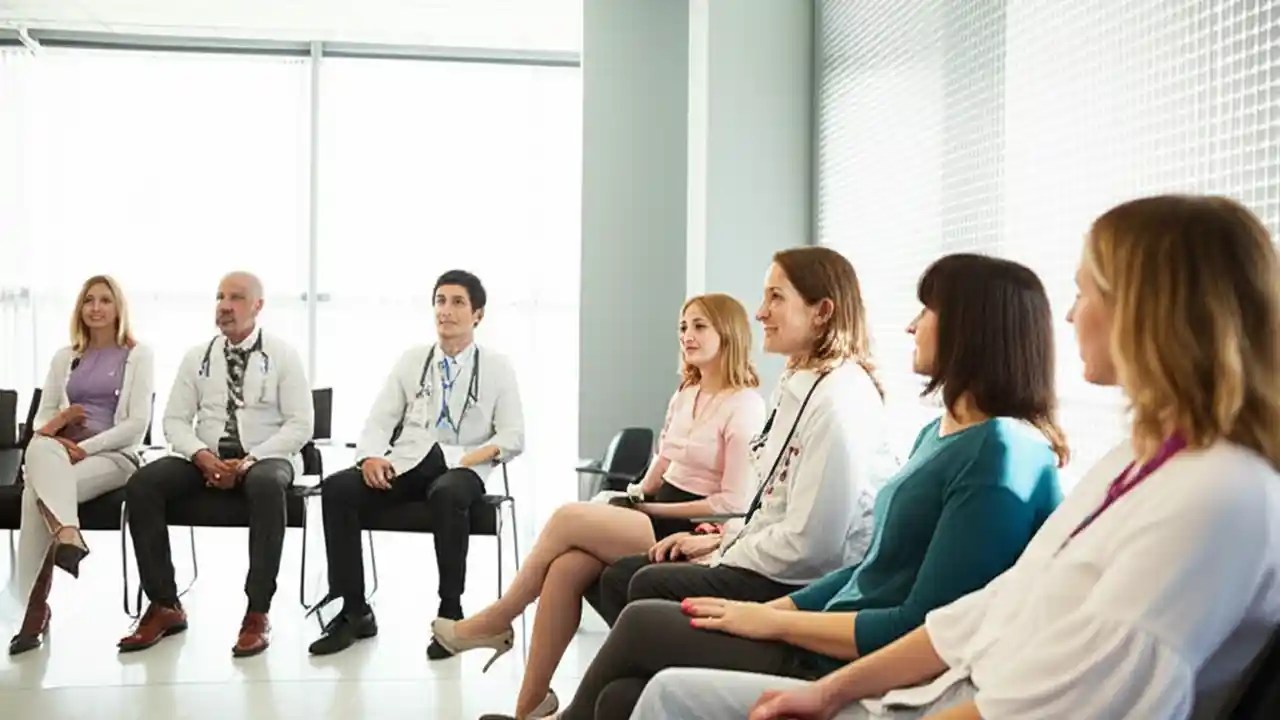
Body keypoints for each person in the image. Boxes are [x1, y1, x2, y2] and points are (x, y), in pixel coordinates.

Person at [632, 195, 1280, 720]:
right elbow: (989, 609)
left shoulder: (1219, 493)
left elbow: (1081, 701)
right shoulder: (1136, 460)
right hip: (942, 686)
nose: (1071, 314)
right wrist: (828, 693)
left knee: (661, 681)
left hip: (961, 700)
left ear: (1148, 309)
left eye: (1087, 292)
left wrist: (783, 633)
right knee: (662, 692)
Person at [556, 254, 1067, 719]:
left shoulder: (1000, 454)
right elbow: (867, 569)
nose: (912, 325)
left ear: (973, 328)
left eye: (927, 311)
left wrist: (773, 622)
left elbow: (920, 626)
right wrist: (769, 612)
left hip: (859, 660)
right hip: (831, 623)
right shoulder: (937, 434)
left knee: (643, 621)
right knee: (619, 696)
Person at [436, 293, 767, 720]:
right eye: (683, 327)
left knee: (565, 517)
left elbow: (732, 503)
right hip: (655, 510)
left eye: (700, 326)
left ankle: (499, 618)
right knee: (565, 568)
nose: (687, 335)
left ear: (729, 332)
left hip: (692, 527)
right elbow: (661, 465)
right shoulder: (687, 392)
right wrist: (631, 496)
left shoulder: (745, 405)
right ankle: (529, 706)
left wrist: (650, 511)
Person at [583, 248, 898, 630]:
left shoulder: (837, 402)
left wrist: (727, 552)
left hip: (802, 581)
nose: (760, 312)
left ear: (822, 311)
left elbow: (811, 546)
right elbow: (769, 502)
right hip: (768, 551)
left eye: (776, 297)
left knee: (644, 583)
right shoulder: (796, 385)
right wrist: (721, 540)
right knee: (616, 577)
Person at [308, 270, 525, 658]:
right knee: (339, 488)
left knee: (447, 494)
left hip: (464, 469)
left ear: (478, 314)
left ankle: (451, 616)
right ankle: (355, 611)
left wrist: (469, 458)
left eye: (457, 302)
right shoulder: (413, 360)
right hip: (409, 461)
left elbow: (513, 436)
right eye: (440, 301)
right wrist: (370, 456)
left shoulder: (497, 366)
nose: (446, 310)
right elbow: (380, 419)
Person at [117, 271, 313, 657]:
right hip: (205, 457)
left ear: (258, 305)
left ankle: (257, 612)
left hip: (268, 456)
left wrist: (251, 459)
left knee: (265, 483)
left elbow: (300, 424)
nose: (224, 306)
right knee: (143, 483)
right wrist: (202, 456)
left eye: (236, 298)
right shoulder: (198, 357)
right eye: (220, 297)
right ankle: (165, 605)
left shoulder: (283, 355)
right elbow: (174, 420)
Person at [7, 275, 154, 655]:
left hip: (115, 457)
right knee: (41, 453)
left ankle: (33, 610)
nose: (96, 307)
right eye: (89, 300)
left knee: (35, 494)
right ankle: (68, 535)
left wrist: (86, 448)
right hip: (60, 454)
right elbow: (41, 421)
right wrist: (63, 421)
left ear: (118, 308)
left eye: (105, 300)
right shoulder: (64, 357)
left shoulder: (138, 356)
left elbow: (137, 425)